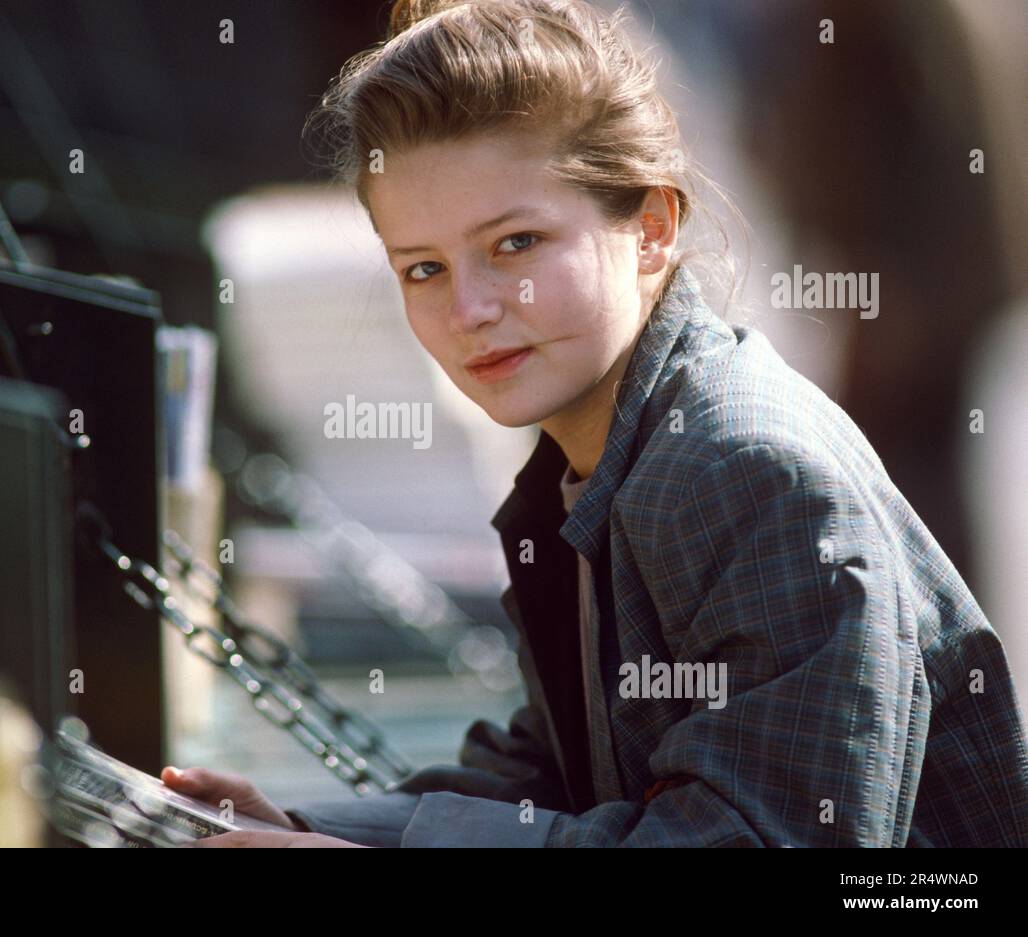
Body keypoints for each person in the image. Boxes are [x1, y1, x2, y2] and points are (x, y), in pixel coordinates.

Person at [164, 0, 1028, 847]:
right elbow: (561, 775)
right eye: (423, 268)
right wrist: (309, 825)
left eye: (516, 244)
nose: (470, 309)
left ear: (651, 228)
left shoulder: (748, 470)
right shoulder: (604, 445)